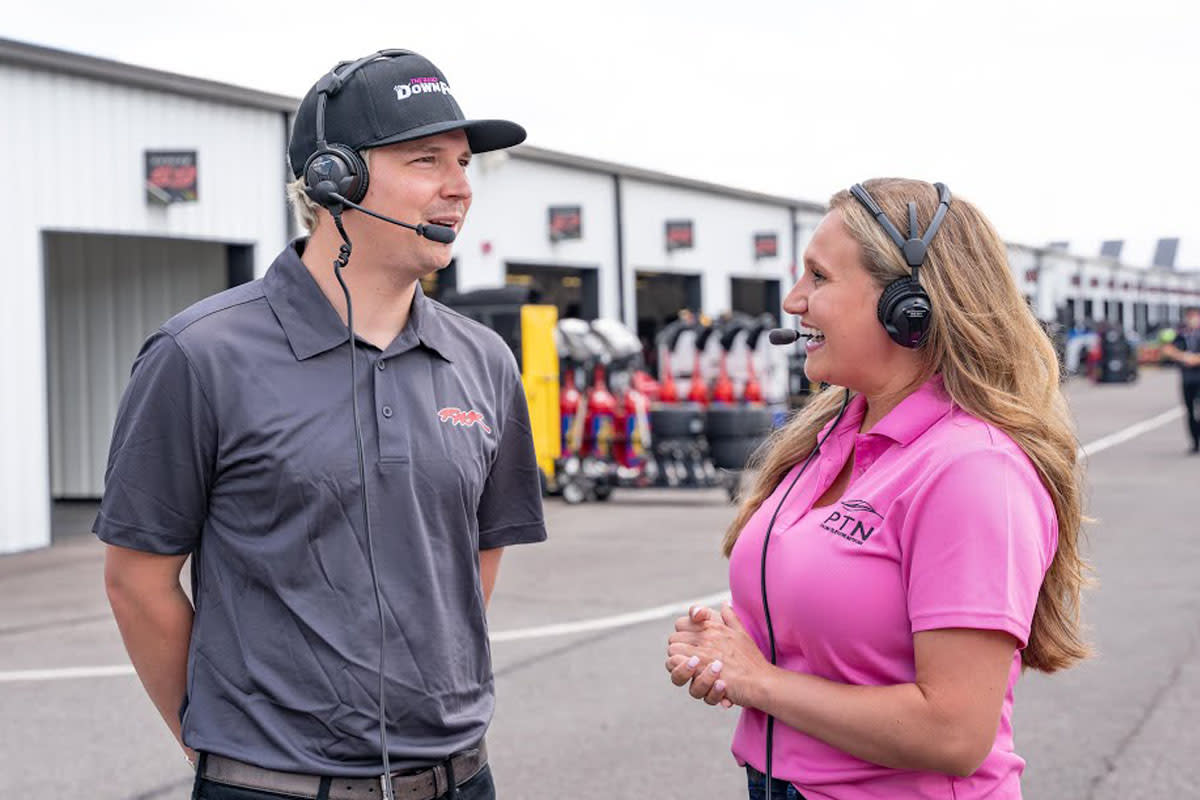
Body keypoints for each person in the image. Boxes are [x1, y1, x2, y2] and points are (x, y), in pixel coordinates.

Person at [96, 50, 546, 800]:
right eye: (425, 159)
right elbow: (135, 582)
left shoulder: (484, 362)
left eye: (464, 162)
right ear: (335, 178)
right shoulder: (199, 355)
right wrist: (227, 748)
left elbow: (472, 558)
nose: (459, 188)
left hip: (462, 778)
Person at [665, 178, 1089, 799]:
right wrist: (727, 648)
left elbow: (954, 734)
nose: (793, 300)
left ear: (908, 307)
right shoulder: (833, 437)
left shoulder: (973, 470)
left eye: (818, 277)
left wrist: (758, 681)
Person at [1160, 306, 1200, 453]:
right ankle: (1195, 442)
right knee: (1189, 410)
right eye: (1190, 316)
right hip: (1187, 377)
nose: (1193, 319)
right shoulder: (1181, 334)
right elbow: (1168, 349)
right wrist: (1183, 357)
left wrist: (1195, 359)